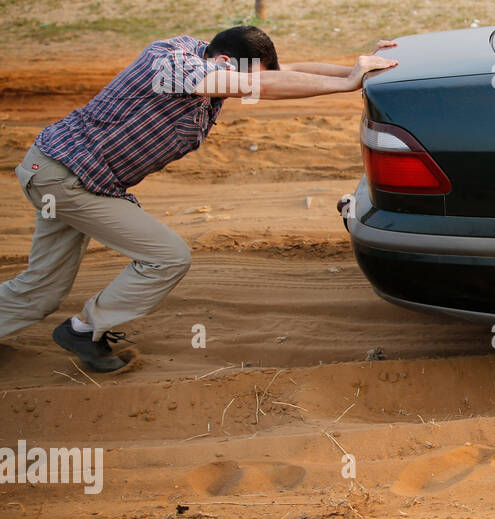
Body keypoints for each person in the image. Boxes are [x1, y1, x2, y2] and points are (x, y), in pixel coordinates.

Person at [0, 26, 397, 372]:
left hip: (67, 176)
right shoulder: (170, 64)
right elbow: (258, 85)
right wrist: (345, 85)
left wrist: (355, 69)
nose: (252, 86)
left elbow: (286, 73)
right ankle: (83, 330)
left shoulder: (216, 61)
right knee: (167, 257)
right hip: (65, 177)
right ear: (224, 60)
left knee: (40, 290)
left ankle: (77, 328)